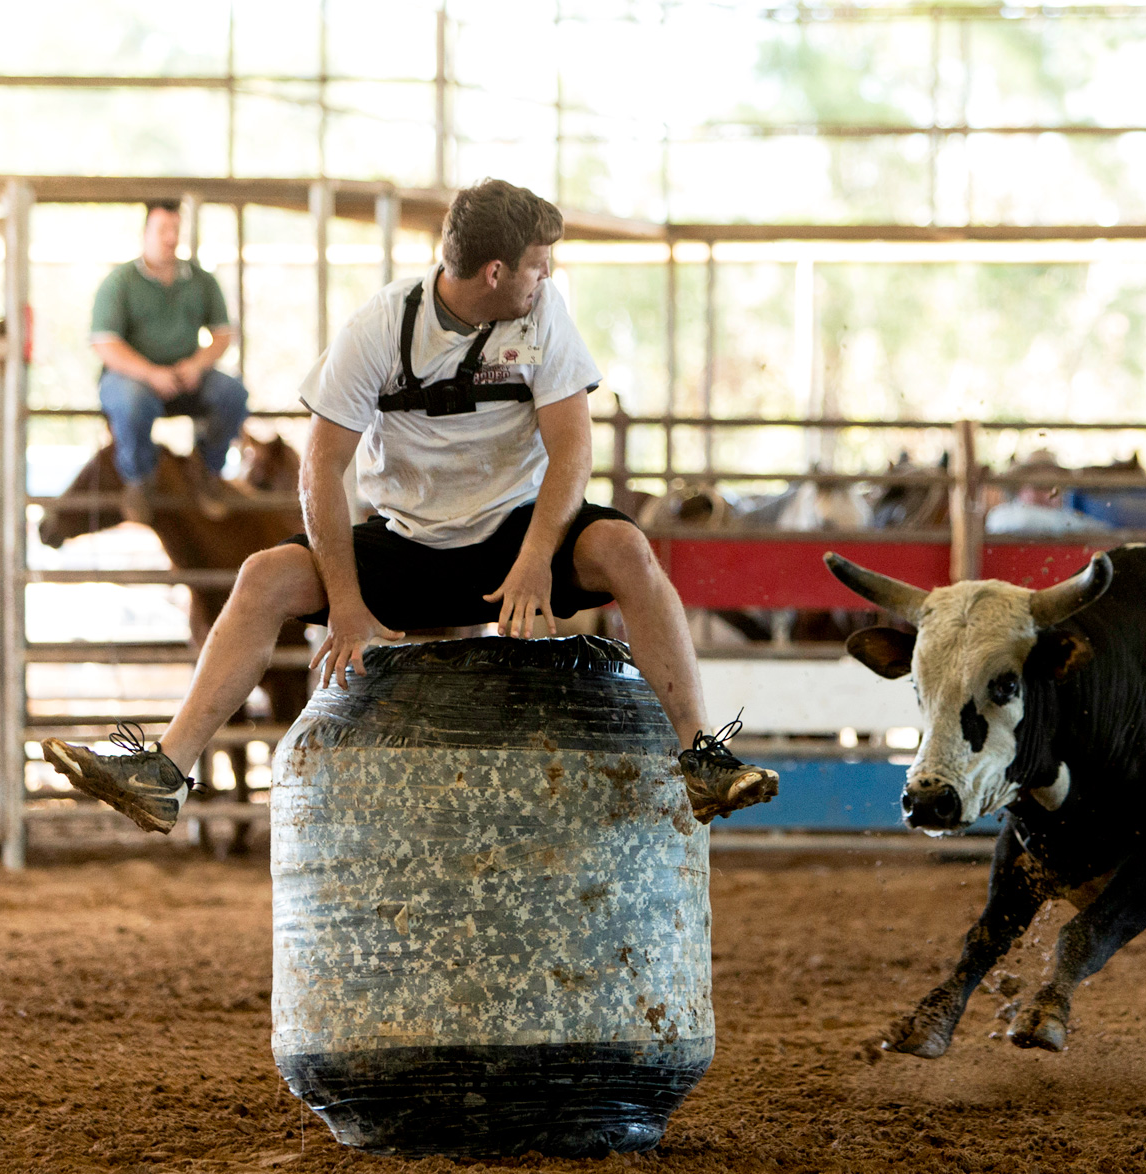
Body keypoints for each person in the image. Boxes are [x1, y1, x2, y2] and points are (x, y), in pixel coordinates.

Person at [43, 180, 778, 832]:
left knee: (628, 551)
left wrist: (532, 564)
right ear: (495, 271)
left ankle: (701, 756)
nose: (546, 274)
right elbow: (320, 473)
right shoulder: (379, 329)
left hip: (519, 530)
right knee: (264, 575)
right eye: (538, 262)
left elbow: (573, 454)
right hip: (410, 541)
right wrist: (346, 601)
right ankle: (165, 773)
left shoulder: (543, 317)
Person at [90, 201, 249, 523]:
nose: (170, 237)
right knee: (131, 403)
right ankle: (138, 480)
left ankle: (207, 470)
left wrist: (197, 364)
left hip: (186, 374)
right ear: (145, 233)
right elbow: (105, 343)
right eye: (163, 229)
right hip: (132, 377)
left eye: (175, 229)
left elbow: (222, 333)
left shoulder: (201, 280)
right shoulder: (119, 282)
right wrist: (150, 374)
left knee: (233, 393)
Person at [984, 449, 1114, 535]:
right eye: (1039, 487)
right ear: (1019, 489)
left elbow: (1102, 532)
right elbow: (1026, 520)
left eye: (1054, 488)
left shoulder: (1068, 518)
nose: (1048, 495)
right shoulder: (1003, 516)